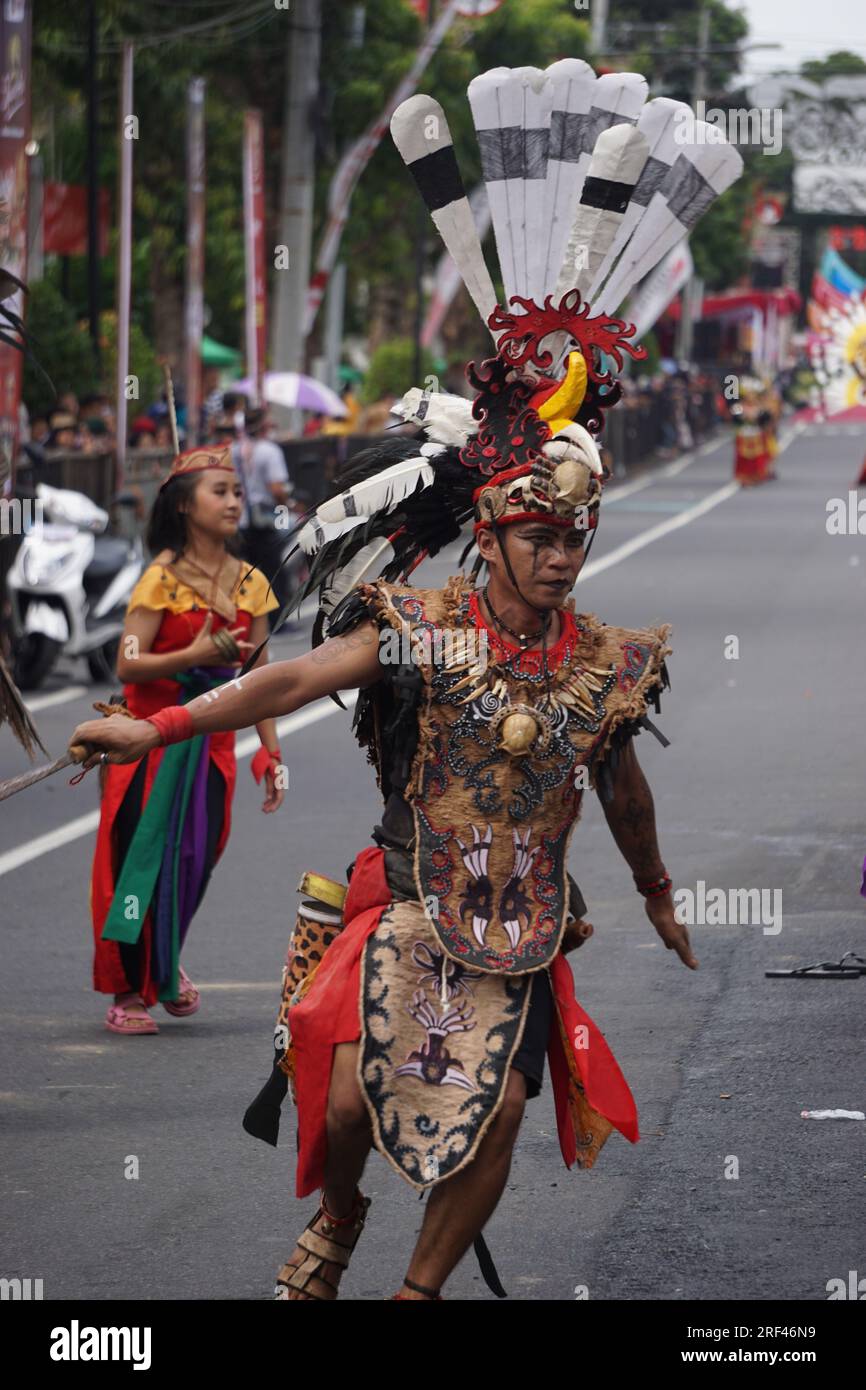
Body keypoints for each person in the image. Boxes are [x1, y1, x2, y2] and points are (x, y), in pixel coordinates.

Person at [71, 61, 734, 1300]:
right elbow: (286, 683)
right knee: (336, 1111)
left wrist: (649, 888)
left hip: (524, 926)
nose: (559, 556)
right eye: (538, 536)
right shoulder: (417, 626)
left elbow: (624, 785)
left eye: (572, 540)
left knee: (499, 1115)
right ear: (490, 536)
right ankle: (341, 1213)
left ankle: (412, 1291)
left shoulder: (602, 662)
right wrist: (152, 728)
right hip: (414, 904)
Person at [83, 444, 285, 1035]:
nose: (232, 501)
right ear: (182, 505)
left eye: (236, 492)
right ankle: (127, 990)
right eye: (218, 491)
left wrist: (272, 752)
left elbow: (265, 680)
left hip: (213, 754)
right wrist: (192, 654)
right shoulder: (160, 580)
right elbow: (127, 662)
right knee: (134, 867)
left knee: (195, 861)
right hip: (147, 747)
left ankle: (164, 965)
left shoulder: (250, 582)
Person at [237, 405, 293, 625]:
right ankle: (276, 620)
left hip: (238, 520)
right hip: (264, 520)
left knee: (244, 572)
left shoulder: (235, 449)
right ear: (264, 424)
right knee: (274, 570)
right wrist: (287, 503)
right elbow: (277, 488)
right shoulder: (269, 451)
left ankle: (245, 618)